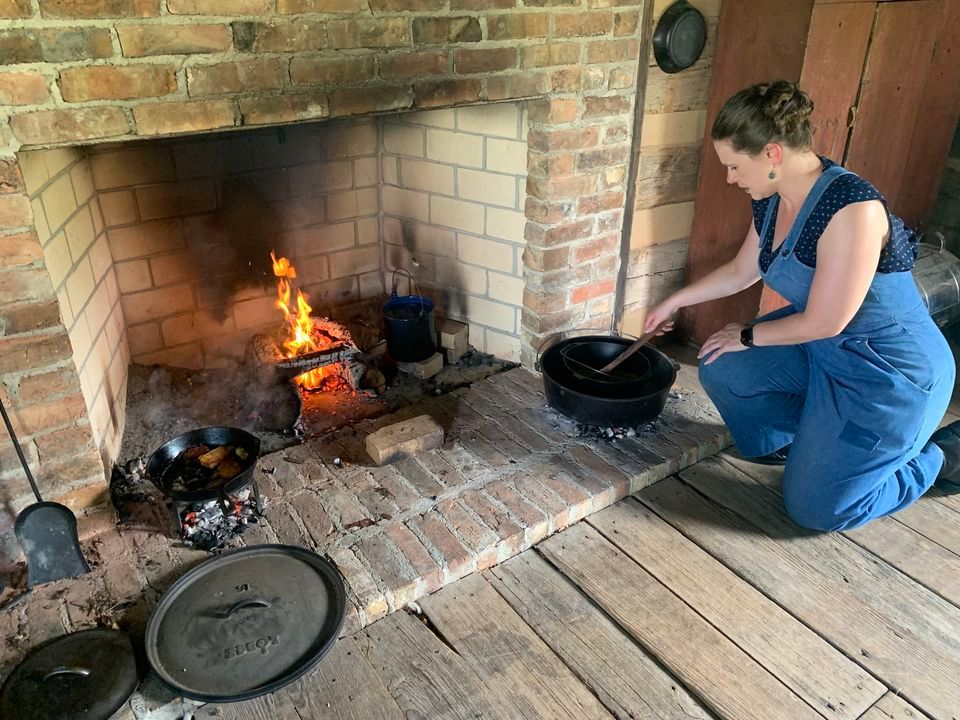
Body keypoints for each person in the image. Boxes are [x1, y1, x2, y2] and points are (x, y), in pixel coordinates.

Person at [644, 80, 958, 532]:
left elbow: (828, 320)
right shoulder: (772, 199)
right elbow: (742, 271)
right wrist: (673, 301)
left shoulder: (852, 208)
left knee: (818, 510)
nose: (730, 178)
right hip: (822, 350)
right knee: (722, 362)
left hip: (888, 373)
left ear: (772, 153)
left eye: (734, 166)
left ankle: (937, 457)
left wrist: (748, 334)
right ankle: (814, 444)